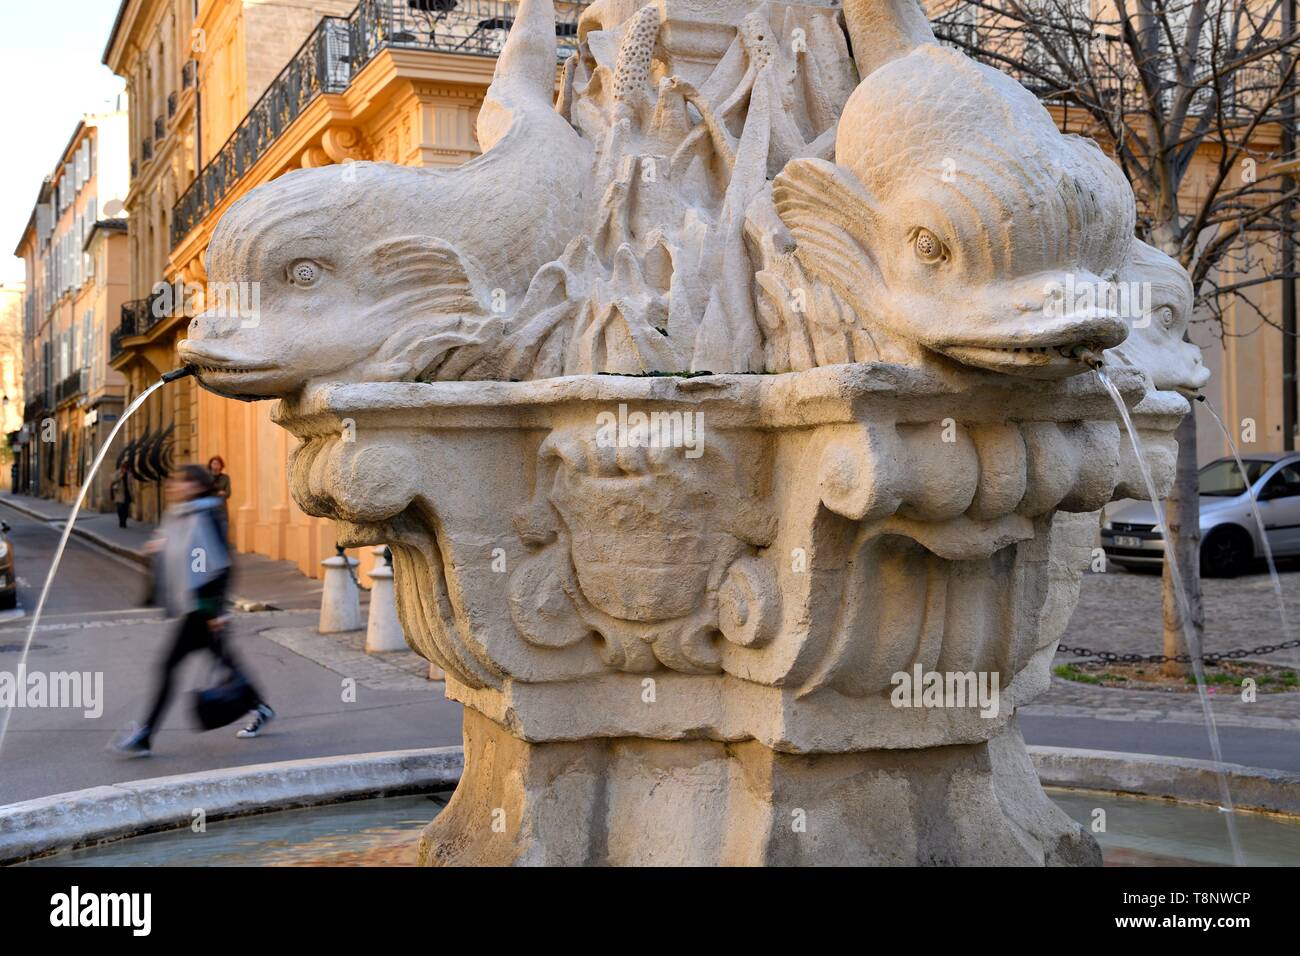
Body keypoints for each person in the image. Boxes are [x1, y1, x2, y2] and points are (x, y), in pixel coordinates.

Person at [111, 464, 274, 757]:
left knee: (168, 666)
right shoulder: (178, 515)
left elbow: (221, 565)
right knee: (227, 665)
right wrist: (159, 550)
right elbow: (178, 555)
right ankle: (261, 707)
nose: (173, 486)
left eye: (180, 482)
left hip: (203, 611)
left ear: (197, 486)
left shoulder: (206, 515)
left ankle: (146, 733)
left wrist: (215, 612)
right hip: (193, 608)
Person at [208, 456, 231, 542]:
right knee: (210, 538)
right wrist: (219, 492)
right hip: (209, 511)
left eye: (218, 464)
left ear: (221, 466)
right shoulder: (206, 477)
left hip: (222, 511)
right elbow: (206, 493)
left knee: (222, 537)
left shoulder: (226, 478)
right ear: (210, 465)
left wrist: (215, 492)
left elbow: (228, 493)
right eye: (214, 463)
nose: (216, 466)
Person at [110, 464, 132, 529]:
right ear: (121, 468)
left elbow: (131, 485)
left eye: (125, 468)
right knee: (120, 509)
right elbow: (113, 481)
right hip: (119, 494)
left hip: (127, 494)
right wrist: (120, 477)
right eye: (123, 468)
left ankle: (124, 522)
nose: (124, 470)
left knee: (126, 509)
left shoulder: (129, 475)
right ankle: (121, 521)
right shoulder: (117, 473)